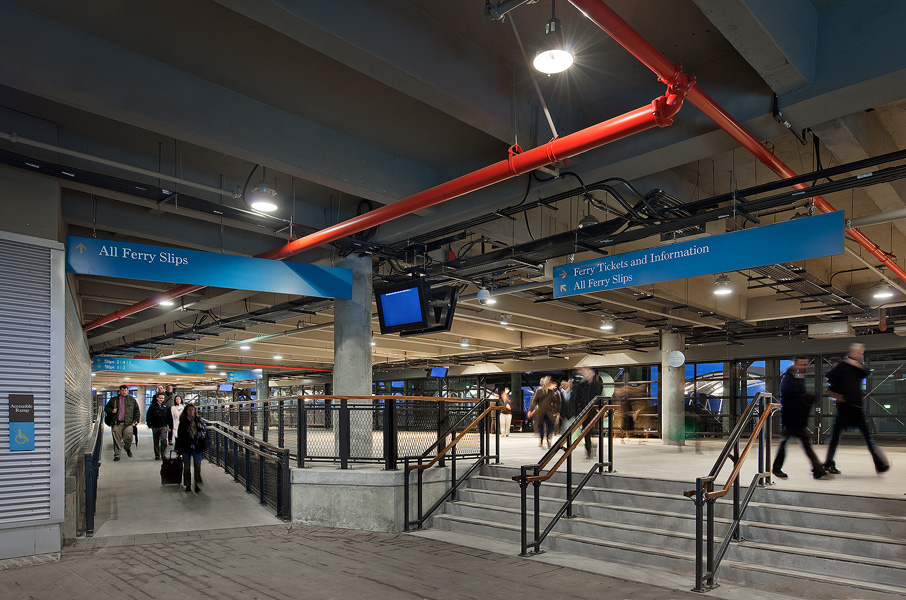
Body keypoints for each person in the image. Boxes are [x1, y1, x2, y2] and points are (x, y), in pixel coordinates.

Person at [824, 343, 889, 475]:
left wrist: (853, 362)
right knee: (835, 437)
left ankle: (879, 464)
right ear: (852, 352)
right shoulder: (841, 366)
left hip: (857, 409)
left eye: (862, 354)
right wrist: (835, 394)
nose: (861, 356)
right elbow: (829, 376)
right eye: (859, 353)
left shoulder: (857, 368)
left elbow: (865, 372)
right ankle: (828, 463)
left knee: (867, 437)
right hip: (844, 409)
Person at [772, 357, 825, 480]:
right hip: (792, 419)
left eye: (805, 364)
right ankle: (817, 469)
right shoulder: (789, 378)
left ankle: (817, 469)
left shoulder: (798, 377)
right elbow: (791, 397)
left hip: (796, 419)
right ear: (795, 364)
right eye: (801, 364)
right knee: (799, 444)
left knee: (800, 444)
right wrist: (808, 398)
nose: (803, 367)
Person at [104, 384, 141, 461]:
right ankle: (117, 455)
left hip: (128, 423)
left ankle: (127, 447)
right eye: (123, 390)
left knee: (129, 437)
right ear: (120, 391)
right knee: (116, 439)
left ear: (127, 391)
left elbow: (136, 411)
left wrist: (136, 420)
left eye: (125, 390)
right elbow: (106, 408)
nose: (124, 392)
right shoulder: (114, 400)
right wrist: (112, 411)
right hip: (116, 423)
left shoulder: (132, 400)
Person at [175, 404, 206, 493]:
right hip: (186, 446)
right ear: (186, 411)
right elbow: (180, 435)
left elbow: (204, 430)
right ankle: (187, 484)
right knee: (187, 466)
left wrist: (201, 427)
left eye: (192, 409)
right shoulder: (183, 421)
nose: (191, 411)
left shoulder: (198, 420)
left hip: (197, 446)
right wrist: (177, 447)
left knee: (197, 466)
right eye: (189, 410)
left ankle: (197, 485)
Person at [574, 368, 604, 458]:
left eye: (587, 372)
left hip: (594, 412)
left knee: (594, 431)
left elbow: (600, 398)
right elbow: (577, 400)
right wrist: (577, 413)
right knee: (586, 432)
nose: (585, 374)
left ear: (592, 374)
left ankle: (593, 448)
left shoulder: (597, 385)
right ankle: (588, 450)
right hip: (584, 412)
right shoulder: (581, 386)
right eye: (584, 373)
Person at [527, 376, 560, 449]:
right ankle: (541, 440)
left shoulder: (551, 392)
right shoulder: (539, 392)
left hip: (549, 412)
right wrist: (530, 410)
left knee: (549, 426)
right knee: (540, 426)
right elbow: (534, 401)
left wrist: (556, 410)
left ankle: (548, 439)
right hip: (541, 412)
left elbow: (556, 402)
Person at [145, 392, 173, 461]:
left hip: (163, 426)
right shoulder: (152, 406)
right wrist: (149, 424)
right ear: (157, 398)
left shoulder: (167, 407)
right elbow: (149, 416)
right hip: (155, 426)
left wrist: (170, 426)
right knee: (156, 440)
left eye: (162, 398)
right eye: (160, 398)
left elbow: (170, 417)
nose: (161, 399)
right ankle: (157, 455)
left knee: (163, 440)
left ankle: (163, 454)